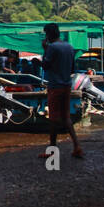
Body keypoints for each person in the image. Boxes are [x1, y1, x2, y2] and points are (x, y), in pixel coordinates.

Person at [41, 23, 83, 160]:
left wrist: (45, 50)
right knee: (66, 117)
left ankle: (52, 150)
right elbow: (72, 69)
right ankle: (77, 146)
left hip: (55, 86)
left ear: (49, 35)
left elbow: (45, 66)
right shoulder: (69, 47)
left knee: (53, 119)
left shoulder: (52, 48)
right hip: (67, 85)